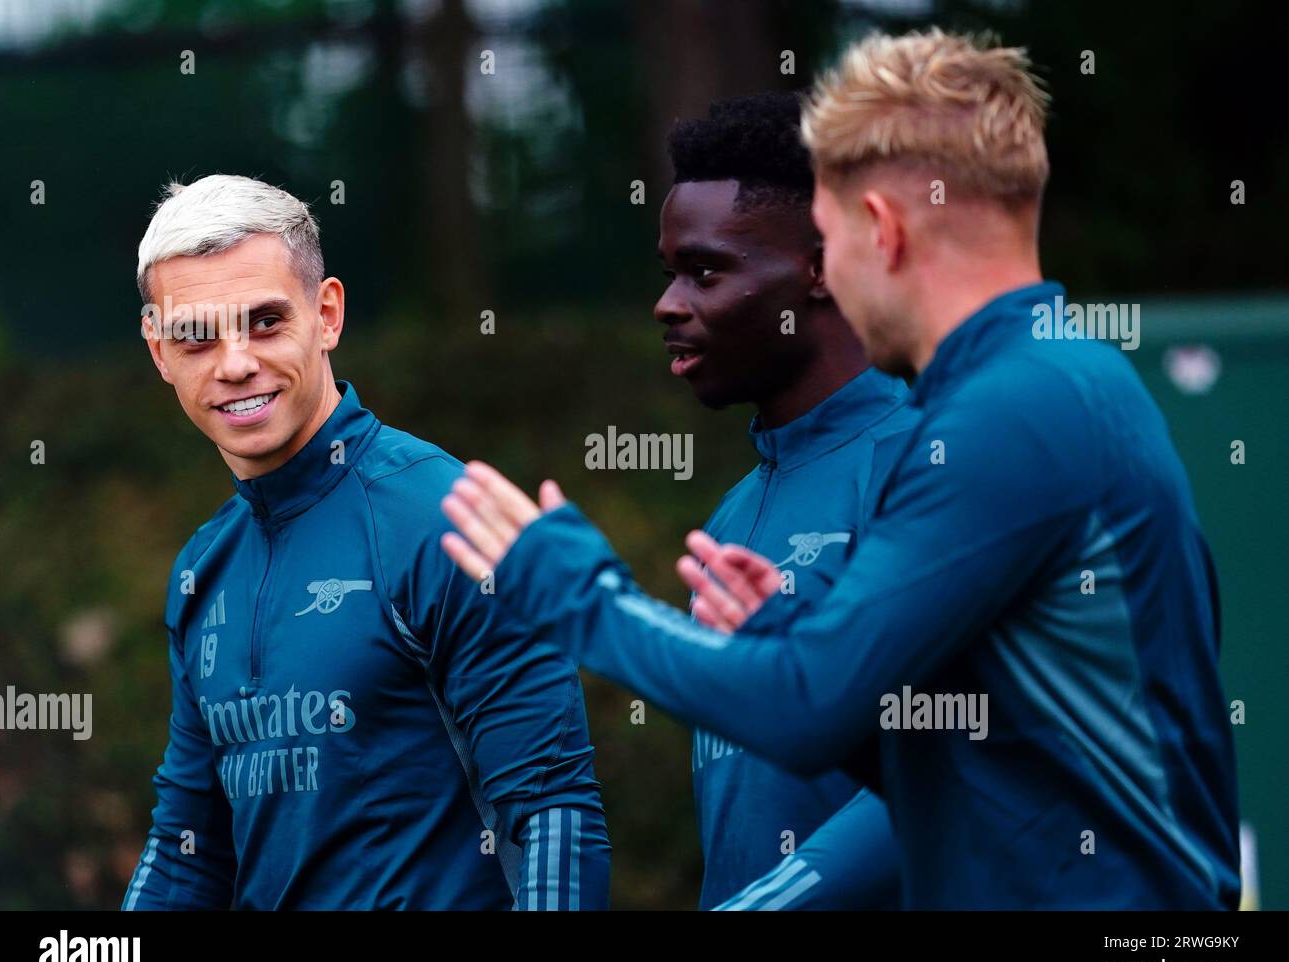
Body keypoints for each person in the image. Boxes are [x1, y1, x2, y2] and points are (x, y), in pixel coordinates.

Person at [439, 30, 1241, 909]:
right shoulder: (1055, 385)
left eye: (826, 232)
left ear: (878, 232)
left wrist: (575, 591)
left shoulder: (1014, 413)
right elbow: (997, 764)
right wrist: (800, 641)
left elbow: (803, 706)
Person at [124, 174, 609, 910]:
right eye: (197, 335)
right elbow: (189, 853)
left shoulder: (449, 521)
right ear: (159, 352)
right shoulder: (202, 568)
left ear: (327, 315)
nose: (234, 364)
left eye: (263, 321)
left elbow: (553, 814)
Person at [654, 92, 912, 909]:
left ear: (820, 269)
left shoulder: (926, 465)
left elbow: (958, 761)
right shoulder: (733, 514)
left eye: (705, 272)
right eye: (670, 274)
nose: (668, 305)